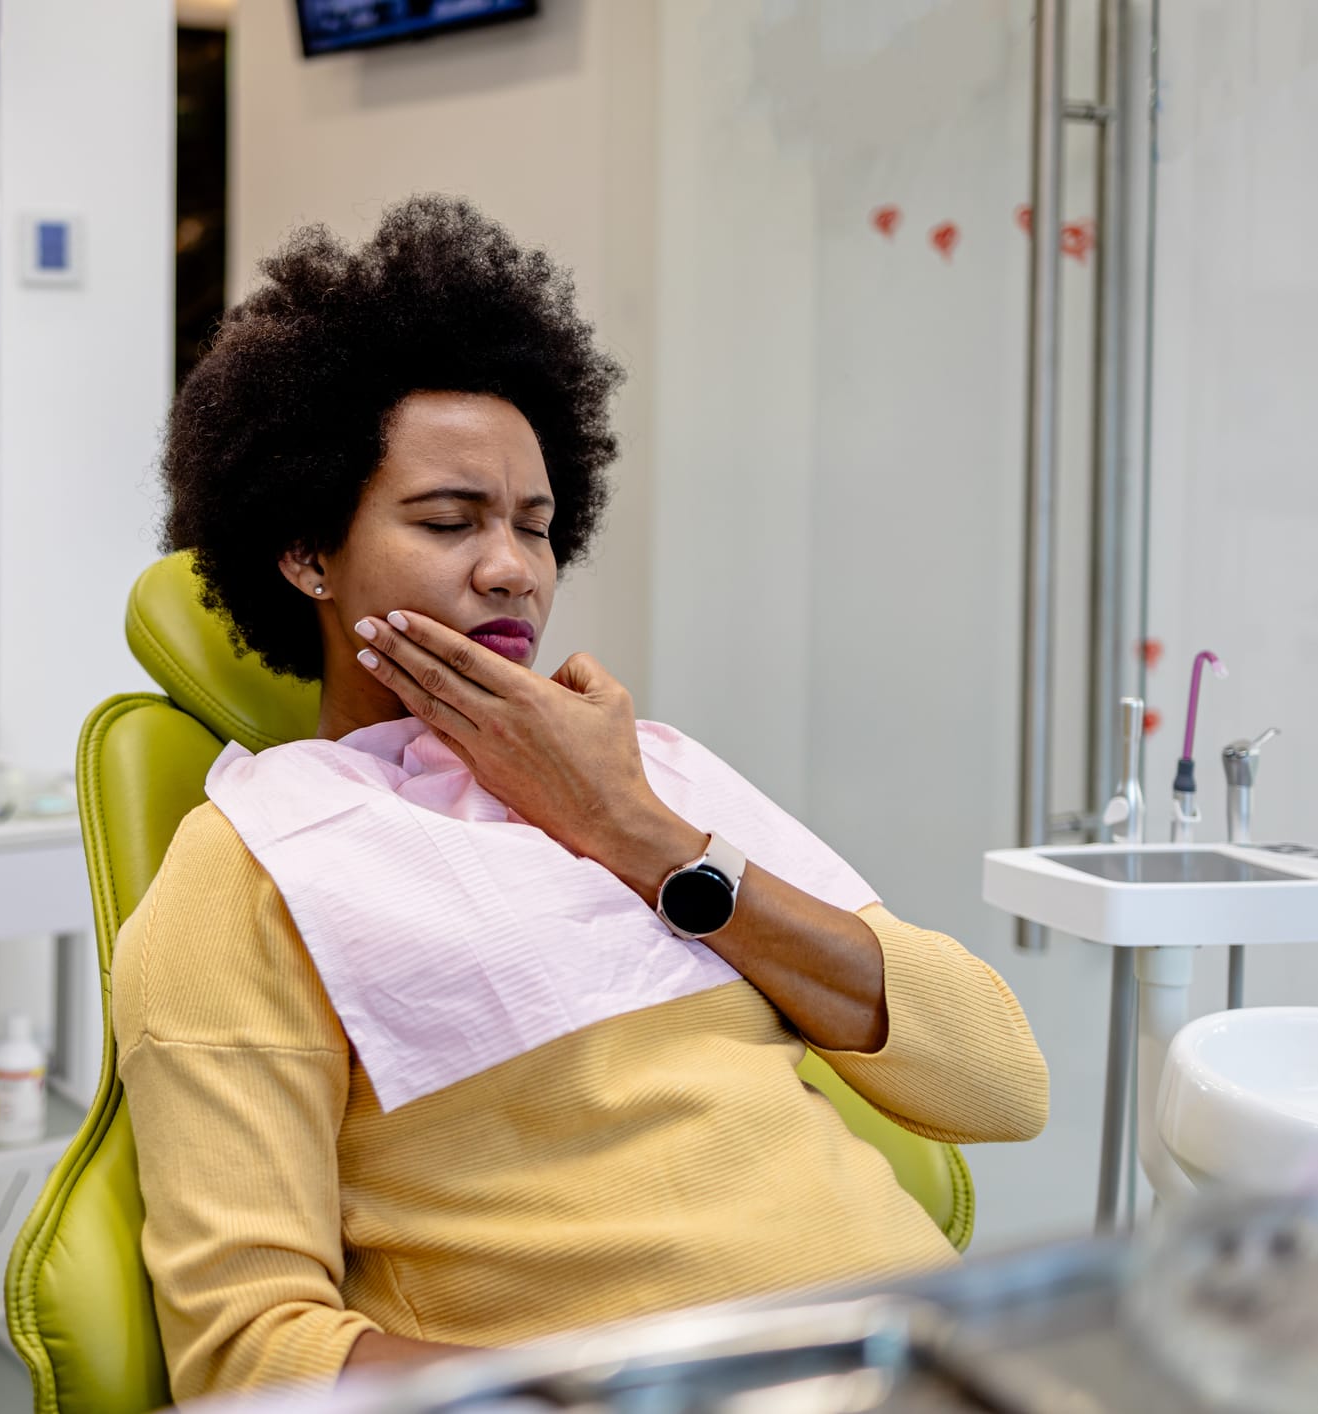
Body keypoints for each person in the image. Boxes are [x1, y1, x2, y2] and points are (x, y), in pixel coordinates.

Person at [118, 195, 1050, 1402]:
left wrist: (636, 831)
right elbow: (251, 1358)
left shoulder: (648, 768)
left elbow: (998, 1083)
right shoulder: (252, 864)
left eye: (537, 526)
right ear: (306, 555)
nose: (511, 567)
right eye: (448, 521)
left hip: (937, 1359)